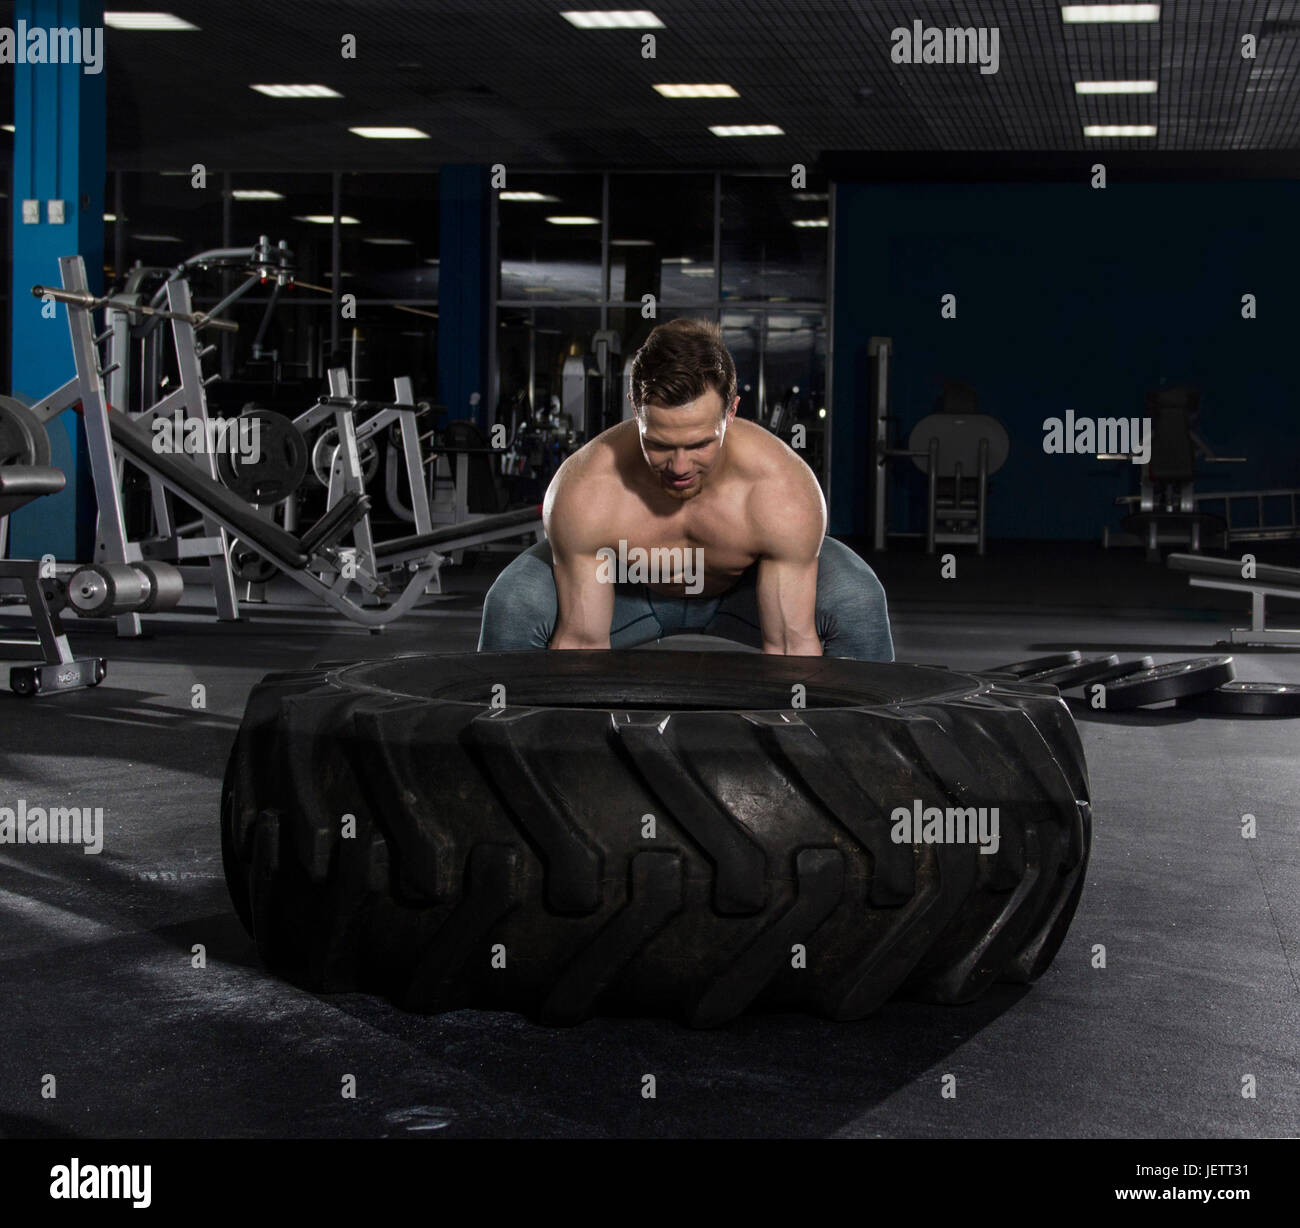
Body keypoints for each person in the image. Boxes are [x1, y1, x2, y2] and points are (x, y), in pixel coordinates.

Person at [478, 318, 893, 659]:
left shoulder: (780, 490)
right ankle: (516, 755)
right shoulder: (587, 489)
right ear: (634, 409)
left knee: (856, 598)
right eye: (658, 444)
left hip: (743, 590)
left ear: (731, 412)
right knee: (514, 602)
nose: (678, 467)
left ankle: (859, 757)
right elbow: (583, 643)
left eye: (698, 444)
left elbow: (789, 645)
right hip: (627, 588)